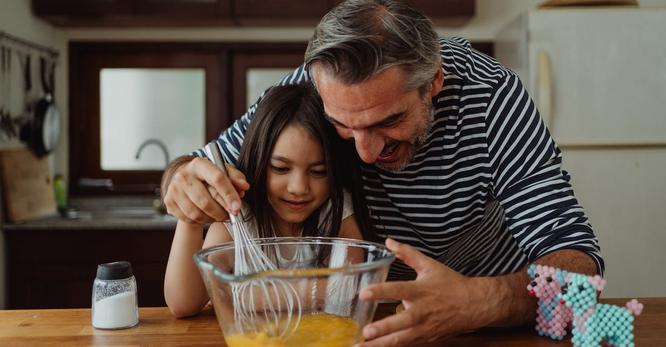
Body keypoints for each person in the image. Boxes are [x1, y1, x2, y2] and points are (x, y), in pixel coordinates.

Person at [161, 0, 603, 345]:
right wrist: (180, 182)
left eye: (386, 121)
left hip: (495, 327)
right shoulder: (311, 86)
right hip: (372, 328)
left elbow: (579, 271)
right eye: (343, 126)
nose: (366, 153)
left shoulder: (494, 102)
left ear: (432, 83)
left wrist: (479, 301)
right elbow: (197, 167)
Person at [163, 83, 364, 318]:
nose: (299, 188)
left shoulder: (335, 210)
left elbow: (348, 289)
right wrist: (191, 218)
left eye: (318, 172)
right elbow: (183, 303)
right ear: (257, 162)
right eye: (280, 168)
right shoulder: (240, 215)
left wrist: (243, 295)